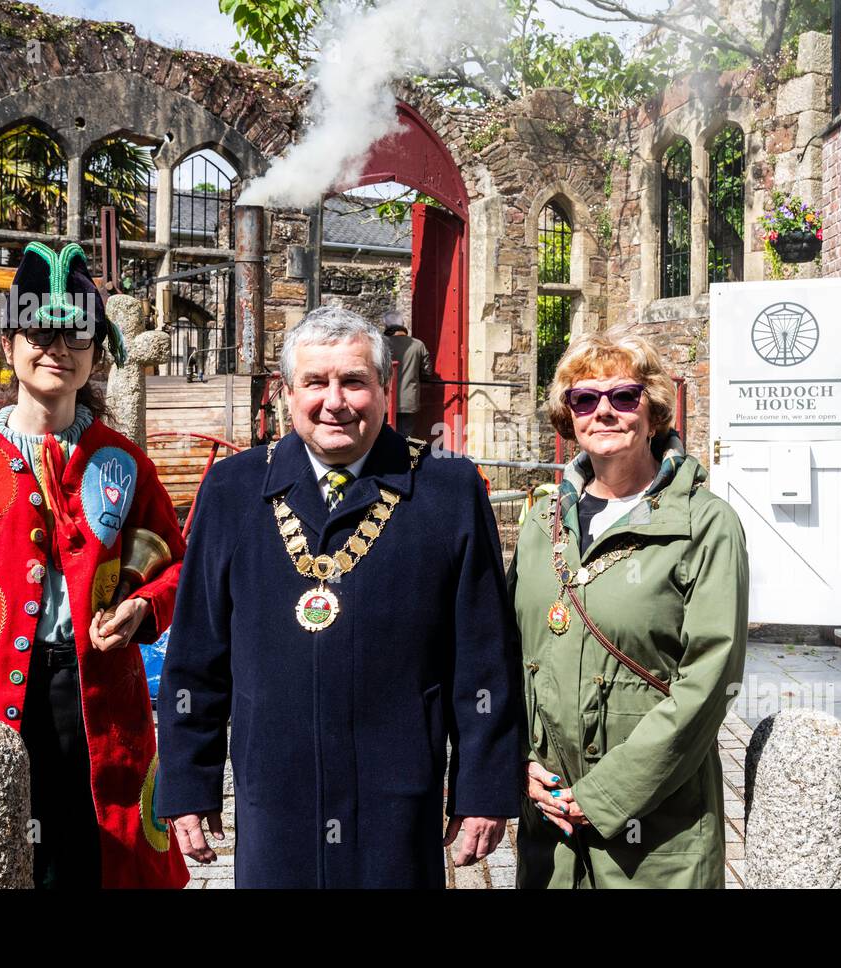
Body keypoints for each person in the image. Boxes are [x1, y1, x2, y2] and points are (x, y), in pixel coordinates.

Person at [156, 305, 522, 888]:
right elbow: (196, 656)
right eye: (315, 382)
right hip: (274, 793)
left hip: (398, 794)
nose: (335, 401)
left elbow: (484, 658)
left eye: (353, 381)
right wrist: (187, 782)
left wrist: (484, 787)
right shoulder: (233, 489)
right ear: (286, 392)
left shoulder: (448, 490)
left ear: (383, 388)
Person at [0, 241, 190, 889]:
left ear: (96, 351)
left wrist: (141, 606)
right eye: (37, 330)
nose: (56, 345)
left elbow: (173, 563)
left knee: (98, 858)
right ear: (8, 346)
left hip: (102, 701)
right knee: (3, 858)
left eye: (75, 331)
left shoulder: (123, 463)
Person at [508, 327, 749, 888]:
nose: (604, 411)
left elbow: (711, 677)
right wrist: (518, 760)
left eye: (624, 396)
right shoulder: (543, 523)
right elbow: (505, 652)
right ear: (568, 416)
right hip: (550, 818)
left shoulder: (705, 524)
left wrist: (608, 794)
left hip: (657, 823)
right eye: (585, 398)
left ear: (654, 408)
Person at [382, 312, 433, 438]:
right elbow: (427, 371)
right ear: (403, 325)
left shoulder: (381, 343)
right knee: (405, 438)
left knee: (382, 437)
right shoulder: (418, 345)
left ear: (386, 326)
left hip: (384, 398)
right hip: (409, 399)